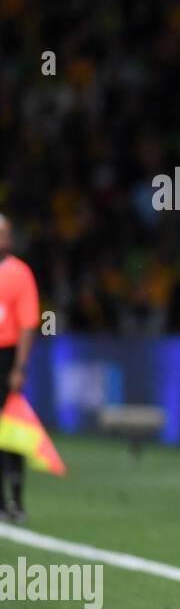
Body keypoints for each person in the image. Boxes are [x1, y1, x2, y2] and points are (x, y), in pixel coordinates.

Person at [0, 215, 40, 523]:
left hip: (6, 357)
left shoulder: (19, 273)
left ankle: (16, 500)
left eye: (5, 233)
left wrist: (19, 366)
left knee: (11, 432)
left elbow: (28, 323)